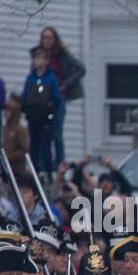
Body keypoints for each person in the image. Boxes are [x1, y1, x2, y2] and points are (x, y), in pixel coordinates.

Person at [35, 27, 86, 169]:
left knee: (57, 133)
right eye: (45, 37)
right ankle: (44, 166)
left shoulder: (62, 55)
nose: (47, 41)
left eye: (50, 38)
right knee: (44, 134)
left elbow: (81, 69)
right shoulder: (38, 54)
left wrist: (65, 84)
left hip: (58, 98)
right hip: (42, 99)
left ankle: (59, 165)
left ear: (55, 39)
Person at [22, 49, 62, 177]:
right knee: (34, 145)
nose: (36, 61)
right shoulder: (30, 78)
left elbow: (56, 98)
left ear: (46, 61)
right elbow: (25, 96)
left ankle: (48, 171)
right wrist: (26, 109)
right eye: (35, 59)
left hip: (45, 118)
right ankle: (35, 171)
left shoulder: (51, 78)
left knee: (46, 145)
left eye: (40, 59)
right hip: (33, 117)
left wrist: (50, 115)